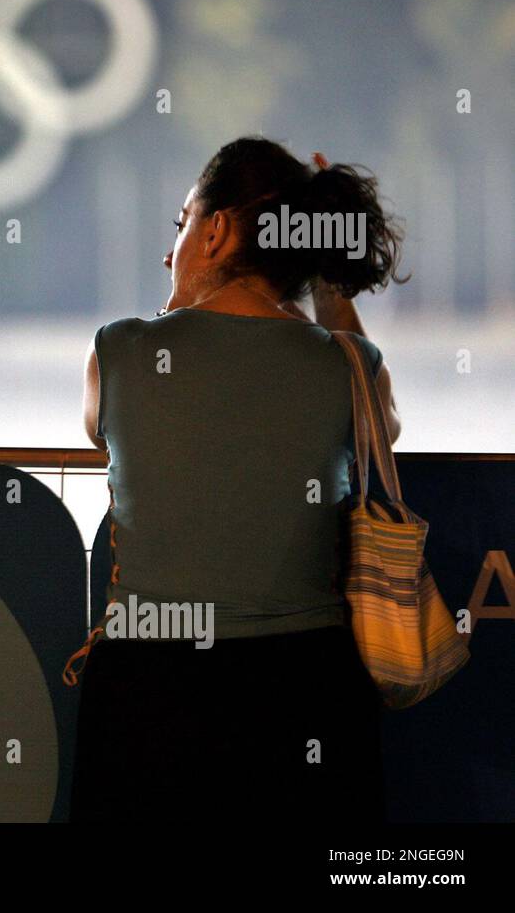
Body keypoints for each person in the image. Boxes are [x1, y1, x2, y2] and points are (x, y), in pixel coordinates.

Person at [73, 136, 407, 822]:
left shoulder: (120, 351)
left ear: (218, 229)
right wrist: (325, 281)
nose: (172, 250)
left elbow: (113, 430)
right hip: (305, 690)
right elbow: (384, 428)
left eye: (184, 222)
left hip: (150, 694)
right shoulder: (350, 366)